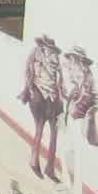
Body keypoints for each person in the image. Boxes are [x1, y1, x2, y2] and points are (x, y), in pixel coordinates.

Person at [22, 35, 66, 181]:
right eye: (47, 46)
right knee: (41, 128)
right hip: (41, 93)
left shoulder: (52, 58)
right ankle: (35, 161)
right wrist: (29, 88)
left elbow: (59, 78)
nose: (49, 49)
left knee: (53, 132)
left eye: (50, 47)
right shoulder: (36, 55)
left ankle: (48, 167)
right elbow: (29, 73)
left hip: (52, 95)